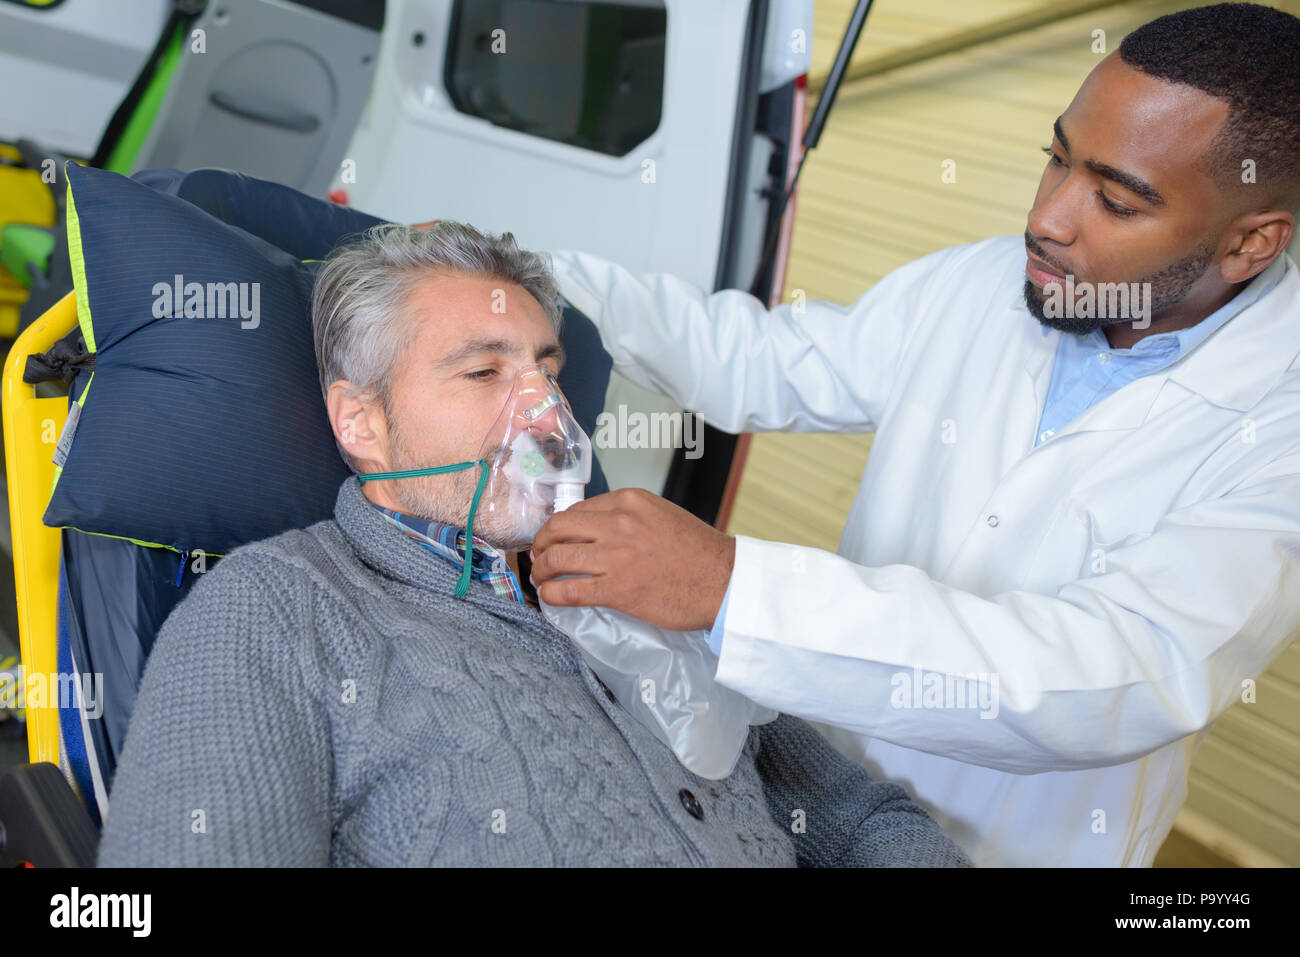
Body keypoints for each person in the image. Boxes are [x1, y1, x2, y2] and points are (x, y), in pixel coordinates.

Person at [523, 4, 1300, 866]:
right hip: (821, 791)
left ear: (1250, 243)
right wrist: (529, 279)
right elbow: (764, 361)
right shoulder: (984, 284)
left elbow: (1115, 668)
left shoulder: (1277, 437)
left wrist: (732, 586)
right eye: (1056, 159)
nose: (1049, 218)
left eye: (1115, 201)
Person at [95, 222, 972, 868]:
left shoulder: (643, 582)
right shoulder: (277, 613)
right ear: (360, 419)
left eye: (547, 372)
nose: (547, 417)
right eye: (484, 373)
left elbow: (856, 817)